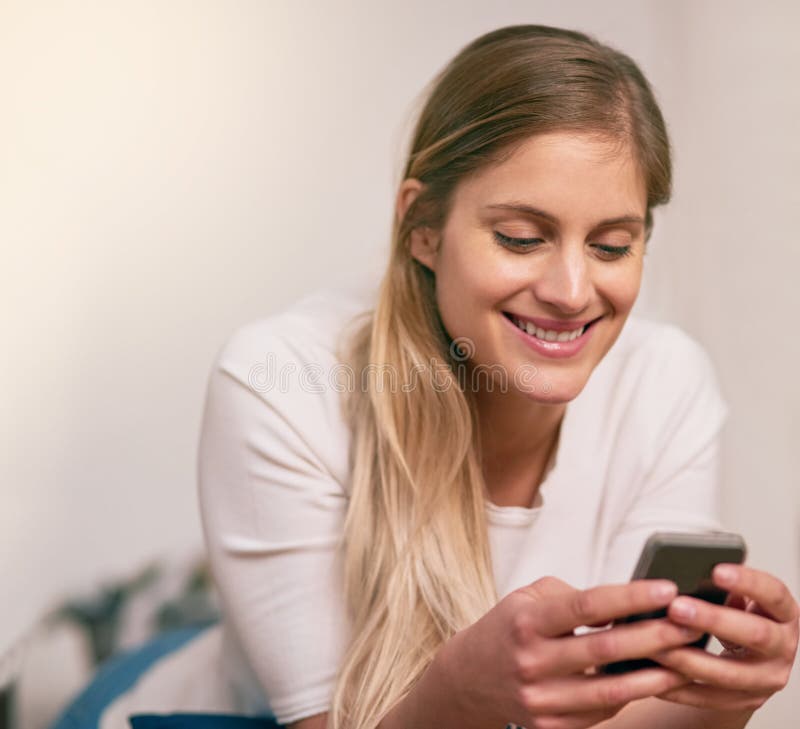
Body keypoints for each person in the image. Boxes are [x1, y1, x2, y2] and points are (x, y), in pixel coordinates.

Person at [53, 23, 798, 729]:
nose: (573, 291)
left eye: (610, 246)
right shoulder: (278, 382)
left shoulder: (670, 384)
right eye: (521, 237)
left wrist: (724, 701)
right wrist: (456, 692)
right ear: (424, 228)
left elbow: (624, 712)